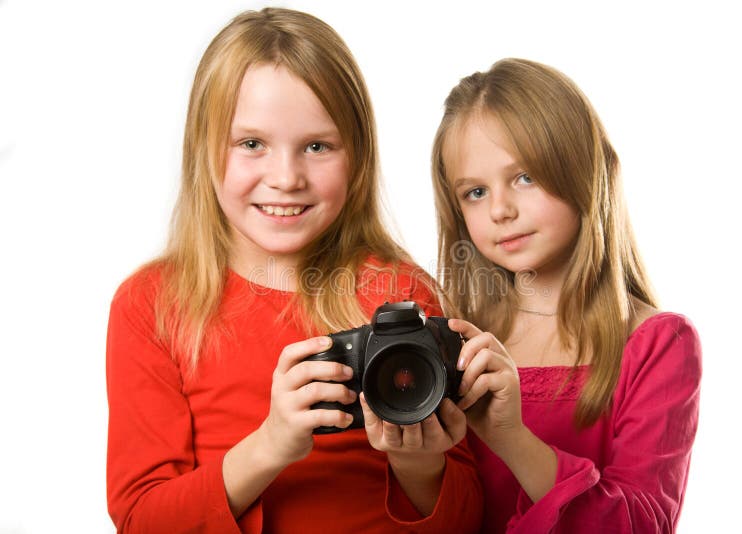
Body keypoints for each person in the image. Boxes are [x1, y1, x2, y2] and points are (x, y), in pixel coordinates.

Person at [105, 8, 482, 534]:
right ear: (202, 150)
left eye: (317, 146)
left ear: (359, 157)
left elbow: (467, 520)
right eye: (252, 144)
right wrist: (271, 444)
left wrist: (419, 460)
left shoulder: (400, 293)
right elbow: (142, 521)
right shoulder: (152, 305)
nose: (285, 178)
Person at [430, 58, 702, 533]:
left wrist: (511, 437)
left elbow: (642, 524)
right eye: (474, 192)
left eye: (525, 177)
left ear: (584, 171)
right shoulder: (459, 336)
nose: (500, 210)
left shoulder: (657, 343)